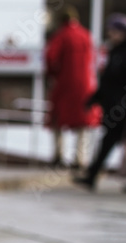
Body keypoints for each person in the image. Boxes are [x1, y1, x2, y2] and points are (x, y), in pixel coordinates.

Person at [74, 14, 126, 192]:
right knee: (114, 142)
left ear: (124, 32)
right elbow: (107, 81)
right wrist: (94, 99)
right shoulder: (115, 52)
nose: (110, 34)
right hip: (114, 107)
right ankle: (94, 176)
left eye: (113, 31)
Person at [45, 6, 100, 170]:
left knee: (58, 119)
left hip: (65, 84)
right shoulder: (86, 35)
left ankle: (59, 155)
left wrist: (52, 74)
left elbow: (50, 57)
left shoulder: (61, 35)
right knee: (83, 121)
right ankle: (80, 158)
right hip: (86, 85)